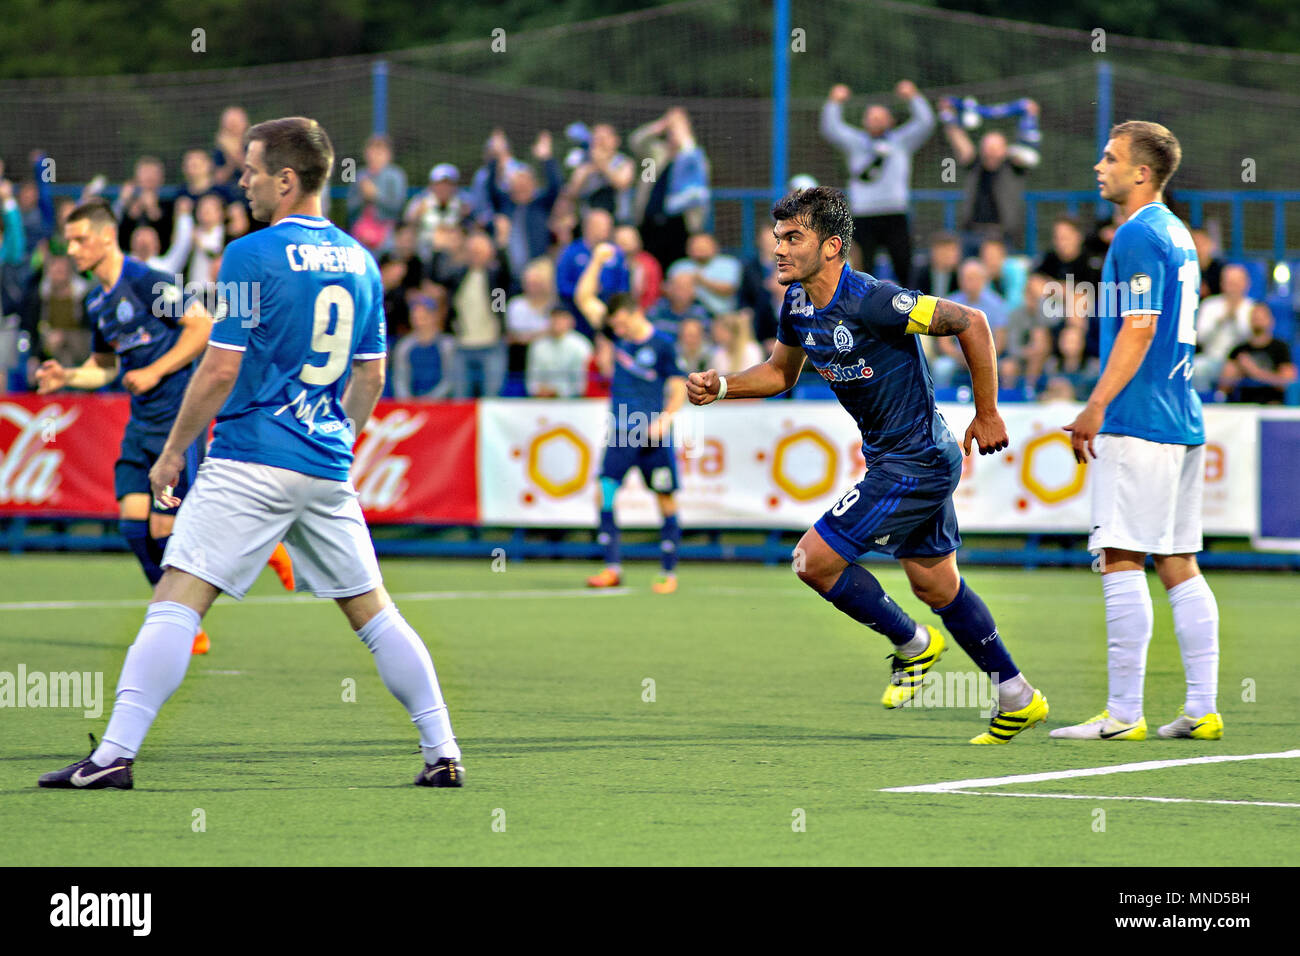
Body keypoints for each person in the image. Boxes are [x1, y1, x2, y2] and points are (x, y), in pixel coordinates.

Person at [38, 116, 464, 791]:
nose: (242, 182)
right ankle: (444, 752)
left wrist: (172, 453)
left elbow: (218, 368)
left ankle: (113, 755)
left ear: (286, 180)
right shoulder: (362, 261)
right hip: (323, 465)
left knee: (177, 597)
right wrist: (338, 440)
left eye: (251, 170)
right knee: (376, 615)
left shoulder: (249, 254)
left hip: (250, 456)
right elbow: (373, 375)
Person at [686, 187, 1047, 744]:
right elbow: (781, 373)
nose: (778, 248)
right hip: (899, 459)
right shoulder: (797, 303)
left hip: (916, 461)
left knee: (811, 561)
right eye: (778, 237)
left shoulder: (876, 301)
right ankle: (1018, 696)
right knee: (936, 586)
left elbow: (971, 321)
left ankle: (913, 644)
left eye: (793, 238)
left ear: (832, 246)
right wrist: (724, 386)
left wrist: (988, 412)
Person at [33, 198, 294, 656]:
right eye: (68, 241)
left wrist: (156, 371)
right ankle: (184, 620)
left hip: (178, 421)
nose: (71, 250)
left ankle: (211, 594)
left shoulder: (147, 282)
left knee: (162, 529)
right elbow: (105, 367)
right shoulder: (97, 302)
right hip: (141, 424)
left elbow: (200, 326)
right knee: (134, 527)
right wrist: (68, 376)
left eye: (79, 239)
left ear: (107, 236)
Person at [1058, 121, 1223, 742]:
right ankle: (1201, 709)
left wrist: (1096, 405)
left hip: (1139, 421)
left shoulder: (1135, 234)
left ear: (1141, 173)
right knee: (1178, 560)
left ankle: (1123, 714)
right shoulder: (1178, 233)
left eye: (1110, 158)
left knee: (1120, 557)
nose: (1099, 166)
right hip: (1183, 417)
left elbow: (1140, 326)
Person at [574, 243, 687, 595]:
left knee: (665, 498)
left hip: (653, 436)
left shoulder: (663, 344)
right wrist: (596, 261)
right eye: (614, 325)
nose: (617, 330)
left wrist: (666, 419)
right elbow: (583, 297)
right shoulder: (615, 332)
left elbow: (678, 386)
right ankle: (612, 567)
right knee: (605, 493)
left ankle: (668, 572)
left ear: (634, 313)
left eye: (621, 323)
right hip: (622, 432)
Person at [820, 79, 934, 281]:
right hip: (864, 213)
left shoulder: (901, 141)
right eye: (871, 117)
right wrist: (834, 102)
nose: (876, 121)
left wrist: (913, 97)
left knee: (904, 266)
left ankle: (909, 301)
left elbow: (926, 123)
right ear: (864, 121)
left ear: (890, 121)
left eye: (880, 117)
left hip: (895, 212)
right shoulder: (856, 143)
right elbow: (831, 128)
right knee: (862, 270)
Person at [942, 104, 1041, 254]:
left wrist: (1031, 117)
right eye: (987, 147)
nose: (990, 152)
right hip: (971, 233)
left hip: (1001, 236)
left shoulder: (1013, 167)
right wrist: (948, 116)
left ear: (1004, 149)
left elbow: (1029, 152)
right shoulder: (975, 165)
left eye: (995, 148)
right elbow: (961, 144)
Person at [1217, 302, 1296, 404]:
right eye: (1255, 318)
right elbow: (1223, 387)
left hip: (1272, 404)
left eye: (1261, 318)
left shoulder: (1280, 348)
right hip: (1243, 406)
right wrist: (1235, 373)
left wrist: (1254, 371)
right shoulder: (1239, 350)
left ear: (1270, 320)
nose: (1258, 321)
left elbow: (1287, 383)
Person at [1194, 263, 1254, 392]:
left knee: (1236, 369)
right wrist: (1221, 320)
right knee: (1197, 366)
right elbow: (1200, 338)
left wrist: (1235, 318)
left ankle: (1221, 397)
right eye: (1229, 283)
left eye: (1236, 283)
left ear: (1246, 284)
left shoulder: (1252, 308)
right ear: (1222, 284)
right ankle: (1206, 400)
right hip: (1211, 358)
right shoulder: (1209, 305)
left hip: (1241, 361)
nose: (1233, 287)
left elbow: (1253, 339)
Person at [526, 306, 593, 398]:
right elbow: (532, 380)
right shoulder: (538, 345)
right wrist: (539, 390)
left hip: (574, 400)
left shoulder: (581, 345)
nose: (557, 322)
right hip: (541, 400)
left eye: (562, 318)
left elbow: (582, 382)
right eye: (554, 318)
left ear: (571, 321)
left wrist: (559, 392)